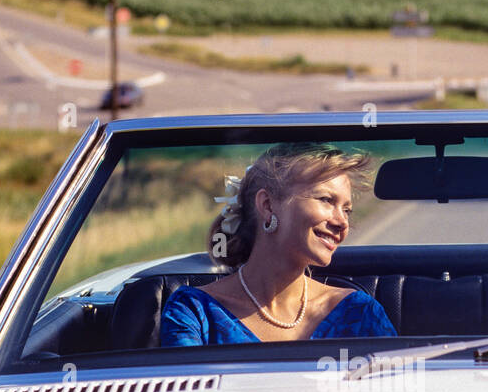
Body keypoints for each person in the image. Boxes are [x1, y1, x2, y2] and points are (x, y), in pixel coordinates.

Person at [159, 142, 397, 346]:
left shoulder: (359, 313)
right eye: (326, 200)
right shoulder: (194, 311)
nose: (342, 222)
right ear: (268, 205)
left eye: (347, 210)